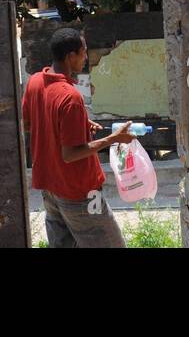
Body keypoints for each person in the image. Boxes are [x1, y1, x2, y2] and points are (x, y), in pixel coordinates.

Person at [22, 26, 133, 247]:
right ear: (70, 56)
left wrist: (78, 124)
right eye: (83, 53)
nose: (85, 58)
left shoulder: (35, 81)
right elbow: (71, 155)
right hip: (79, 194)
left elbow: (28, 124)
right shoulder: (70, 97)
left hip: (49, 188)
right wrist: (113, 139)